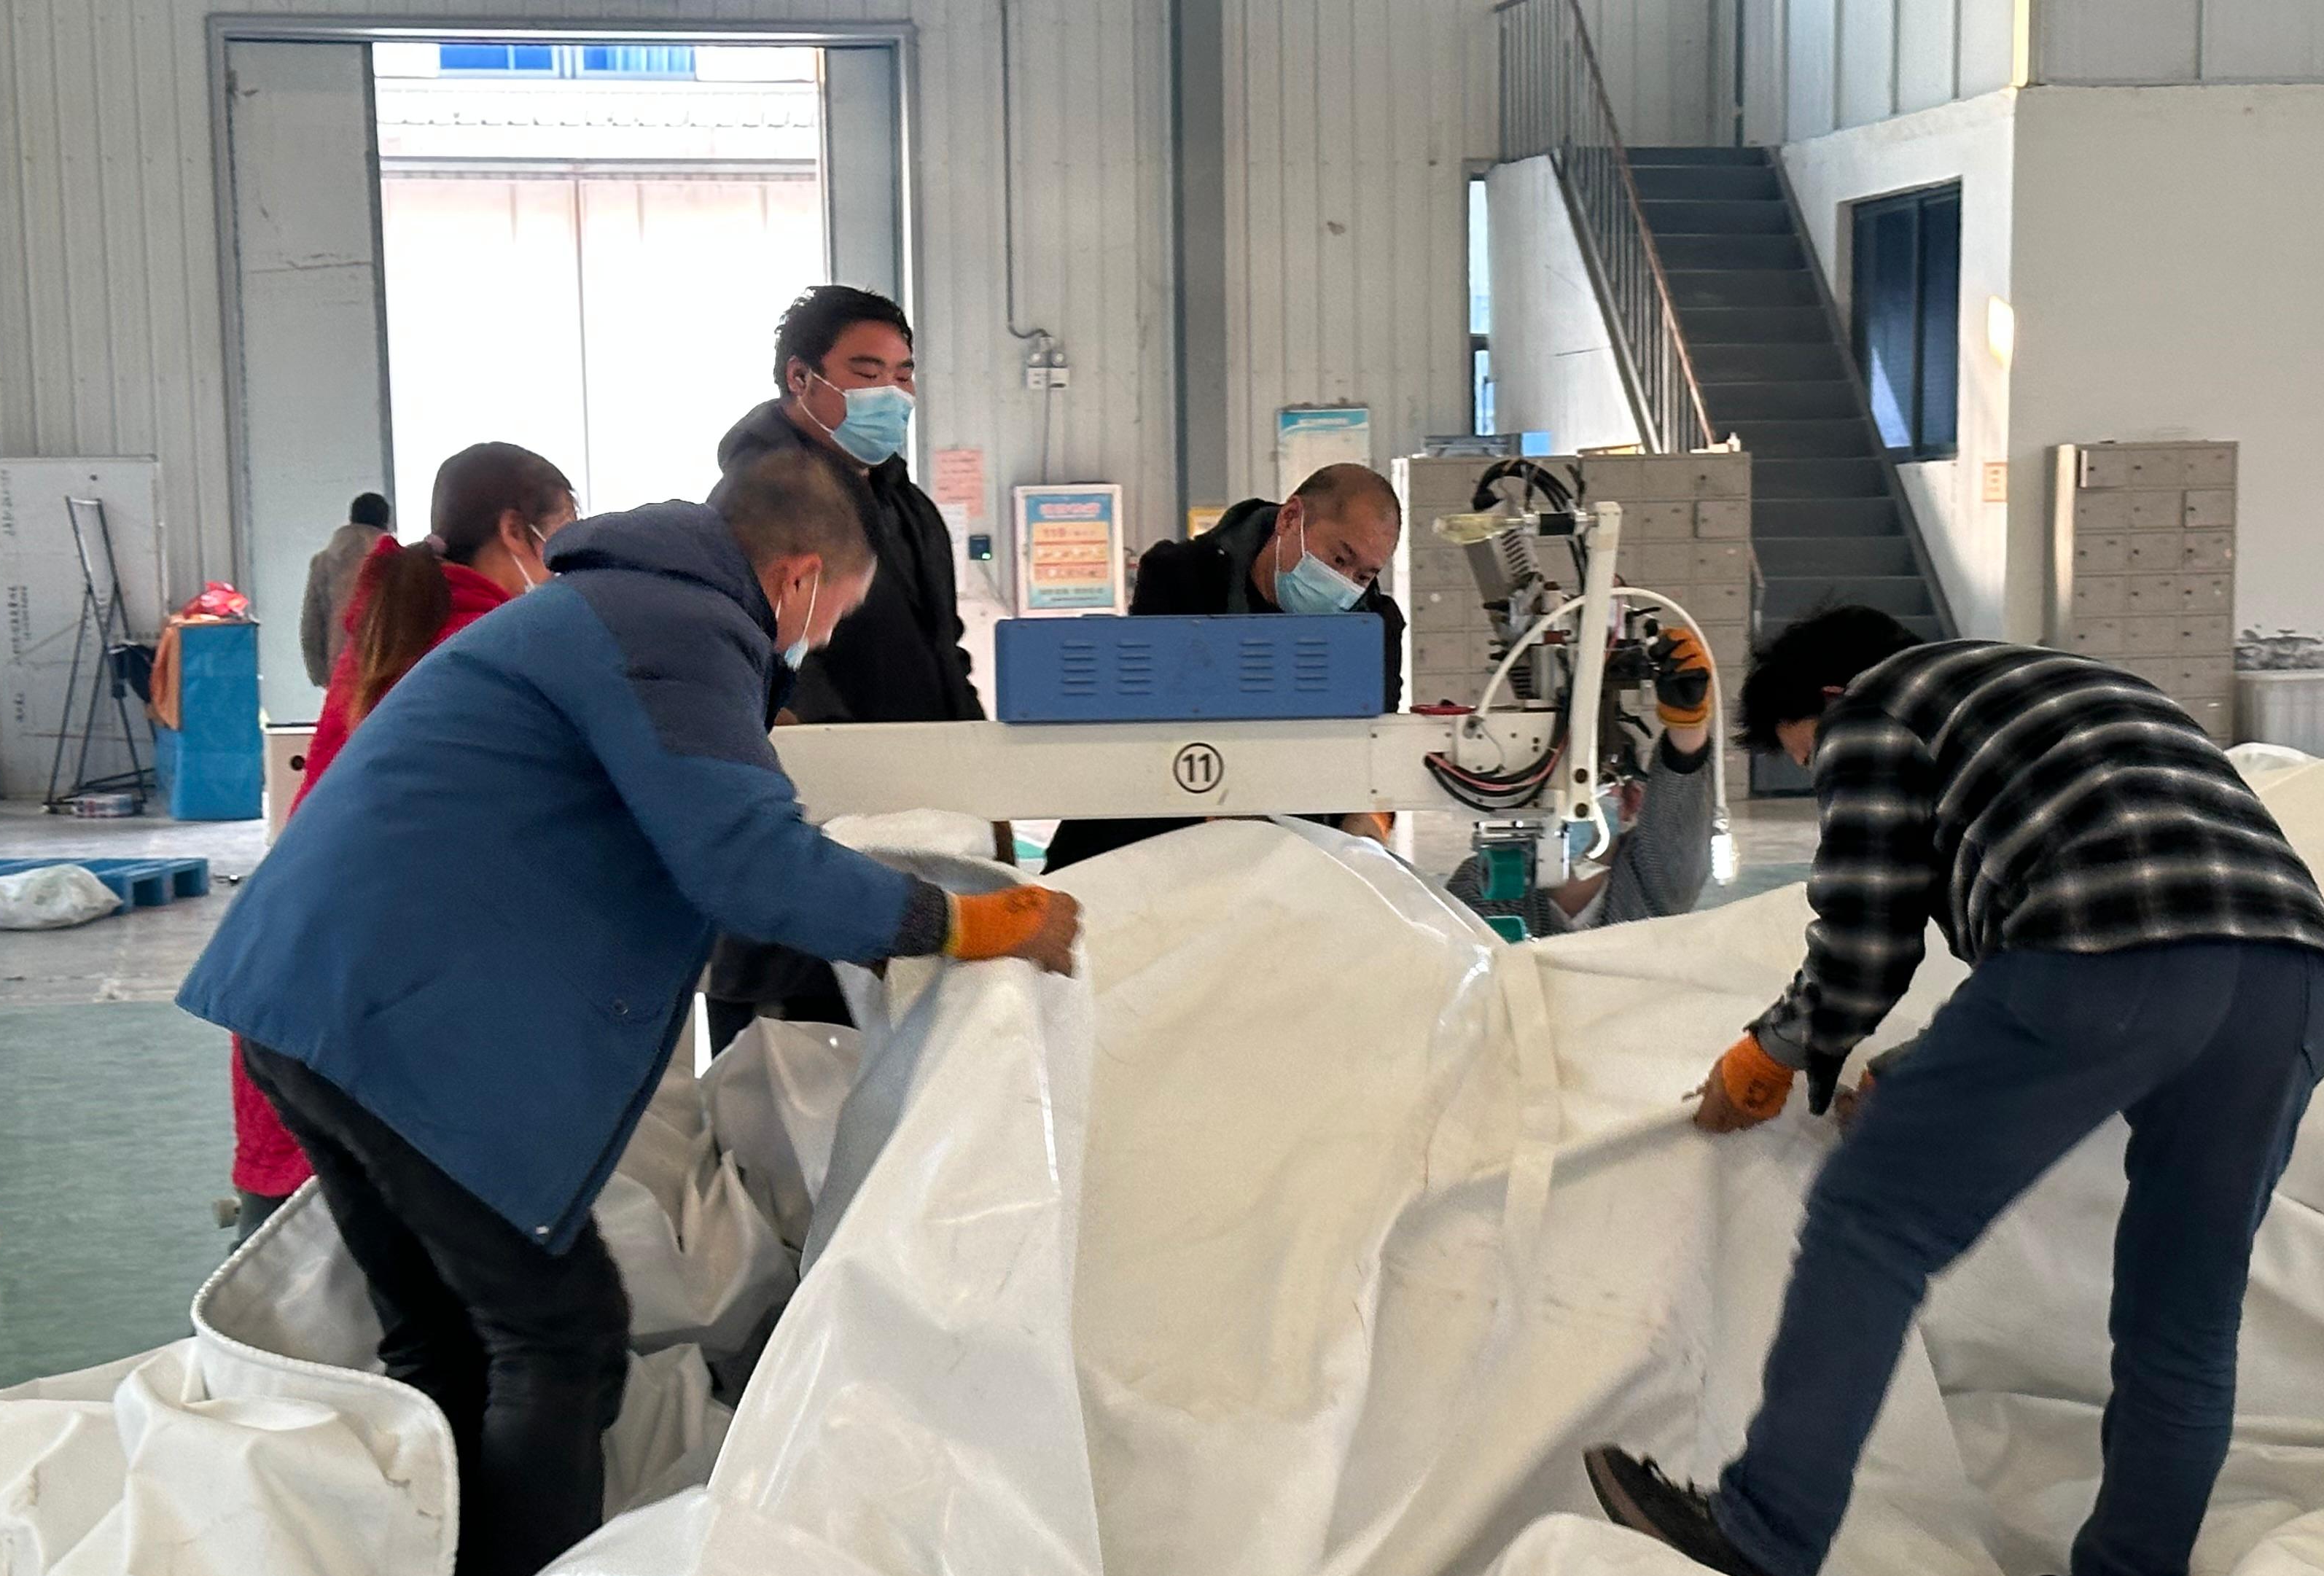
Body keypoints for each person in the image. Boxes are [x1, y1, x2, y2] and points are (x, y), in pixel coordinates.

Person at [181, 447, 1082, 1576]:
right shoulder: (676, 625)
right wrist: (962, 922)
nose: (819, 640)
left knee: (444, 1339)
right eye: (835, 612)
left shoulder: (606, 607)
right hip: (392, 1024)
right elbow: (746, 862)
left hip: (313, 1002)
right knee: (559, 1335)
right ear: (797, 576)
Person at [1586, 606, 2324, 1576]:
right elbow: (2090, 969)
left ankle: (1762, 1534)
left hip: (2109, 946)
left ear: (1828, 701)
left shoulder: (1877, 706)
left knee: (1870, 1221)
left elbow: (1869, 937)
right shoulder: (2091, 689)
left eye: (1811, 763)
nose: (1825, 782)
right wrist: (1910, 1074)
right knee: (2186, 1312)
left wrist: (1772, 1052)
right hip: (2290, 980)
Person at [230, 445, 577, 1247]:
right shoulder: (489, 647)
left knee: (287, 1262)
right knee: (348, 1264)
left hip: (296, 977)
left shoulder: (401, 621)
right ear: (516, 531)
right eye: (566, 527)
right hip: (365, 1003)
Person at [707, 284, 984, 1050]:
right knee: (789, 1100)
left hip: (917, 849)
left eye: (904, 373)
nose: (891, 393)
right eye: (866, 373)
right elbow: (758, 674)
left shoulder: (909, 508)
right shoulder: (756, 502)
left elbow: (947, 654)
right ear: (802, 378)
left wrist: (984, 787)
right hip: (807, 861)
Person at [1040, 464, 1408, 873]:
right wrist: (1230, 814)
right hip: (1143, 847)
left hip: (1293, 863)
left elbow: (1375, 751)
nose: (1345, 584)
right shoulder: (1181, 578)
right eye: (1339, 559)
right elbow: (1155, 734)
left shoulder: (1374, 628)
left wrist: (1368, 824)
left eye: (1364, 575)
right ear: (1290, 519)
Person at [1442, 623, 1718, 936]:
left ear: (1632, 801)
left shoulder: (1653, 881)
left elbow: (1679, 826)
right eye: (1550, 784)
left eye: (1595, 783)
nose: (1570, 800)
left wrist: (1687, 720)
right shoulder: (1484, 883)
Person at [300, 491, 391, 690]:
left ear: (351, 519)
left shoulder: (324, 562)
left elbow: (311, 625)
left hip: (340, 671)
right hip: (385, 669)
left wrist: (320, 675)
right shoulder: (397, 561)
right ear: (386, 523)